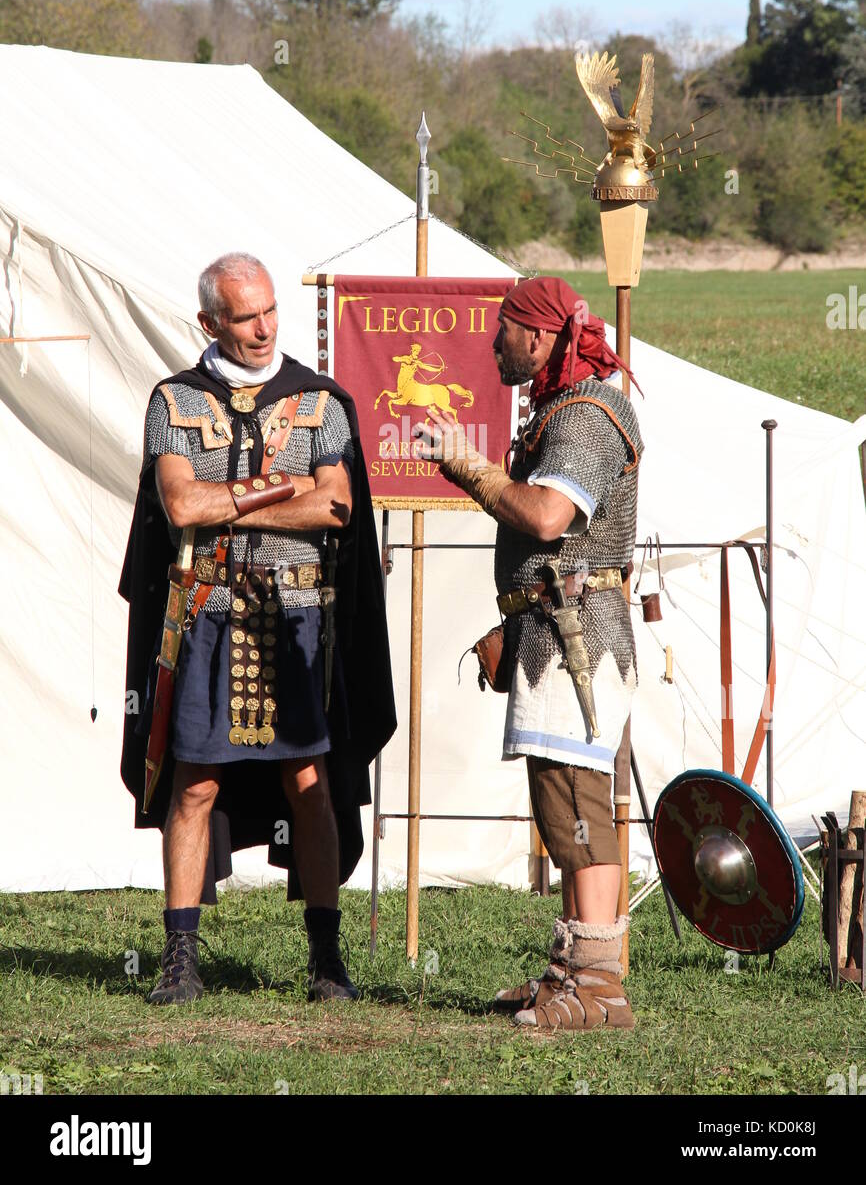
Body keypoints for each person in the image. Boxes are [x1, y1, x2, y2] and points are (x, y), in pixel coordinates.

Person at [119, 253, 396, 1005]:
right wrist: (287, 486)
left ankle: (326, 960)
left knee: (310, 783)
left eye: (271, 310)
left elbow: (336, 509)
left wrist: (235, 499)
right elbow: (182, 507)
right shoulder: (174, 402)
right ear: (210, 322)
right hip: (206, 618)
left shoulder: (320, 403)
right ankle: (180, 958)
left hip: (297, 619)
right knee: (194, 784)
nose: (264, 328)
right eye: (245, 317)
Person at [413, 275, 644, 1031]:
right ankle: (571, 972)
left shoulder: (587, 415)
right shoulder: (561, 409)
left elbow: (547, 517)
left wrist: (470, 468)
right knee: (562, 806)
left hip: (581, 641)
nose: (493, 344)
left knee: (578, 812)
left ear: (540, 337)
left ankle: (600, 989)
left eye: (505, 331)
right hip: (555, 635)